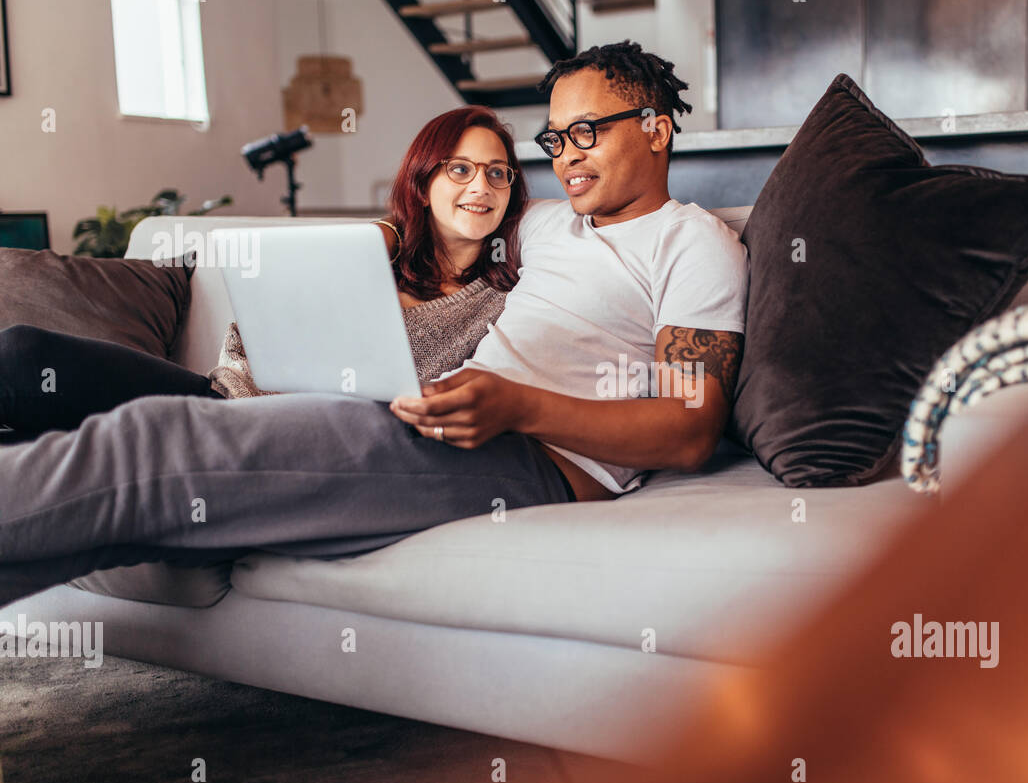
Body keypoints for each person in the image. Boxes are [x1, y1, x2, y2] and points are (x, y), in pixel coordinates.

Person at [0, 39, 748, 601]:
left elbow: (688, 432)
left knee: (161, 443)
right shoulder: (549, 223)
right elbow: (446, 216)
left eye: (587, 131)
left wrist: (520, 406)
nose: (566, 156)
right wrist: (381, 237)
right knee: (143, 484)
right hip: (436, 414)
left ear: (655, 128)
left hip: (534, 461)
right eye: (554, 140)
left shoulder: (695, 244)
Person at [0, 105, 527, 434]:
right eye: (460, 169)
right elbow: (253, 337)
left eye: (497, 173)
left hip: (290, 440)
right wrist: (380, 238)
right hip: (219, 404)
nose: (481, 187)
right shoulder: (371, 251)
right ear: (423, 181)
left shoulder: (501, 300)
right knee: (24, 354)